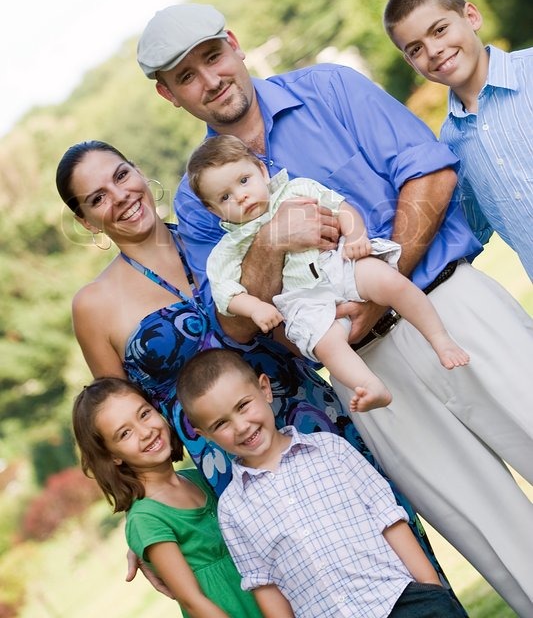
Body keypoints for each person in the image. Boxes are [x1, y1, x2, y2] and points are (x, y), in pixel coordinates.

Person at [136, 2, 533, 616]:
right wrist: (271, 241)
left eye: (213, 58)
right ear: (168, 95)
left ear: (235, 45)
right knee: (500, 539)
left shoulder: (330, 90)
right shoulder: (198, 199)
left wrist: (375, 289)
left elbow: (429, 176)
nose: (210, 80)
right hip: (367, 376)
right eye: (187, 76)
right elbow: (238, 325)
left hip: (448, 306)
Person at [56, 140, 446, 599]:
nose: (119, 196)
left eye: (121, 176)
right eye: (97, 197)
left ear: (140, 172)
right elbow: (118, 423)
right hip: (232, 466)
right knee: (315, 591)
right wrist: (147, 528)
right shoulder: (94, 305)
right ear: (85, 221)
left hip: (312, 422)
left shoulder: (229, 232)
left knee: (396, 555)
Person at [187, 134, 469, 413]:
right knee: (327, 345)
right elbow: (226, 293)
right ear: (214, 210)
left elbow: (342, 208)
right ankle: (370, 385)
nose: (241, 196)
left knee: (388, 279)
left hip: (338, 263)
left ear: (261, 170)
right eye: (225, 197)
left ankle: (440, 339)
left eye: (244, 180)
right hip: (303, 300)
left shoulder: (297, 190)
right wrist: (256, 307)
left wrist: (356, 234)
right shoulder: (228, 249)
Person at [176, 348, 466, 618]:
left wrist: (431, 591)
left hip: (397, 601)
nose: (241, 426)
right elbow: (265, 586)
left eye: (243, 406)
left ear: (264, 389)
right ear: (205, 435)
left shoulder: (331, 450)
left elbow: (389, 521)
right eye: (221, 424)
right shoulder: (232, 509)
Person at [71, 376, 264, 617]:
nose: (145, 432)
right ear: (112, 457)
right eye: (125, 433)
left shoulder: (197, 477)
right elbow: (192, 601)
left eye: (144, 414)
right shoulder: (146, 518)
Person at [383, 0, 533, 282]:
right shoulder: (450, 145)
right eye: (415, 49)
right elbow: (468, 230)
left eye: (439, 30)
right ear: (411, 63)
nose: (434, 50)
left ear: (472, 16)